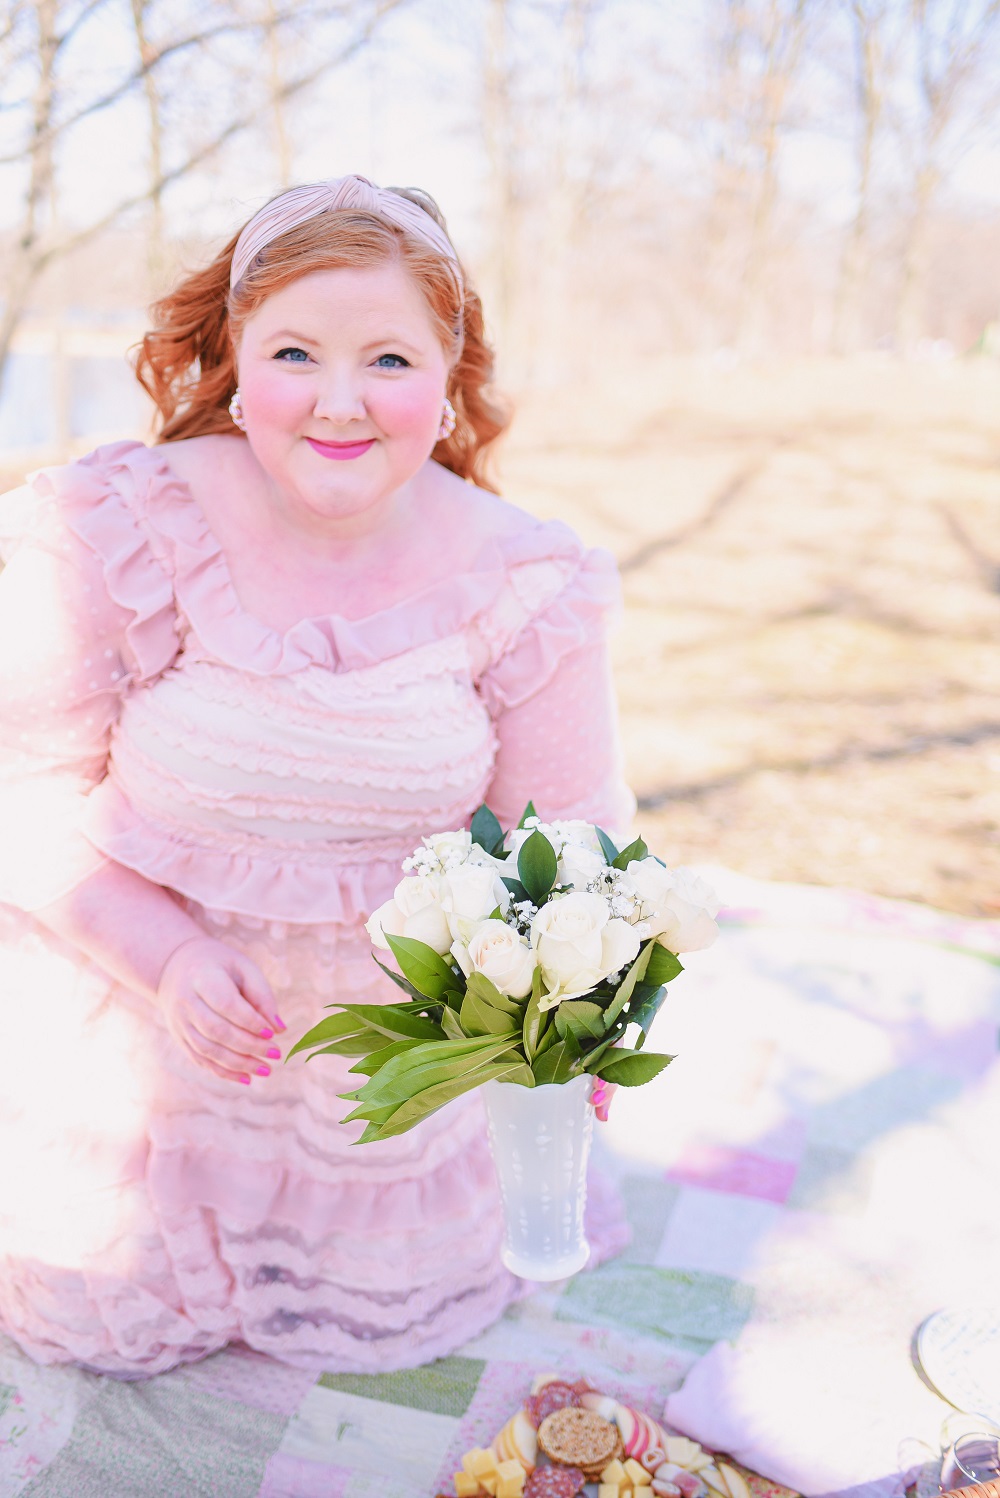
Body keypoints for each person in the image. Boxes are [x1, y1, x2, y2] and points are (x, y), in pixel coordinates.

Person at [0, 174, 634, 1378]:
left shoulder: (529, 581)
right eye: (296, 350)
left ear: (448, 371)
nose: (340, 403)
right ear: (234, 358)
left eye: (388, 359)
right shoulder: (115, 530)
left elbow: (567, 863)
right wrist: (168, 955)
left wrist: (570, 1029)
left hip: (383, 1094)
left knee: (384, 1343)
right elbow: (15, 790)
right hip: (132, 1041)